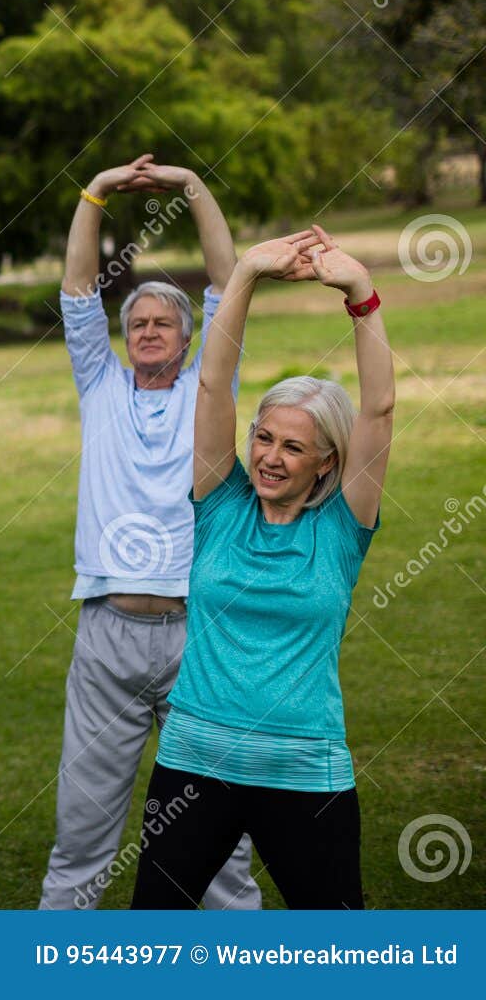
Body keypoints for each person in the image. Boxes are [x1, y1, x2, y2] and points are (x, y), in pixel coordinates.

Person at [131, 226, 389, 910]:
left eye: (293, 446)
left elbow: (379, 409)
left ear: (326, 460)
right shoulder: (219, 505)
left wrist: (362, 296)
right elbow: (213, 384)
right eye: (263, 437)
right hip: (193, 764)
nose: (270, 456)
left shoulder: (341, 528)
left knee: (336, 953)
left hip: (304, 769)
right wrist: (245, 272)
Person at [39, 156, 262, 910]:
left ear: (190, 334)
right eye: (137, 322)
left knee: (221, 842)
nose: (149, 331)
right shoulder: (98, 382)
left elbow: (231, 286)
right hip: (108, 630)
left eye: (164, 321)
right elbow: (76, 291)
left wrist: (192, 185)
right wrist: (97, 189)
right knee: (82, 830)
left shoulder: (211, 385)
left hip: (198, 633)